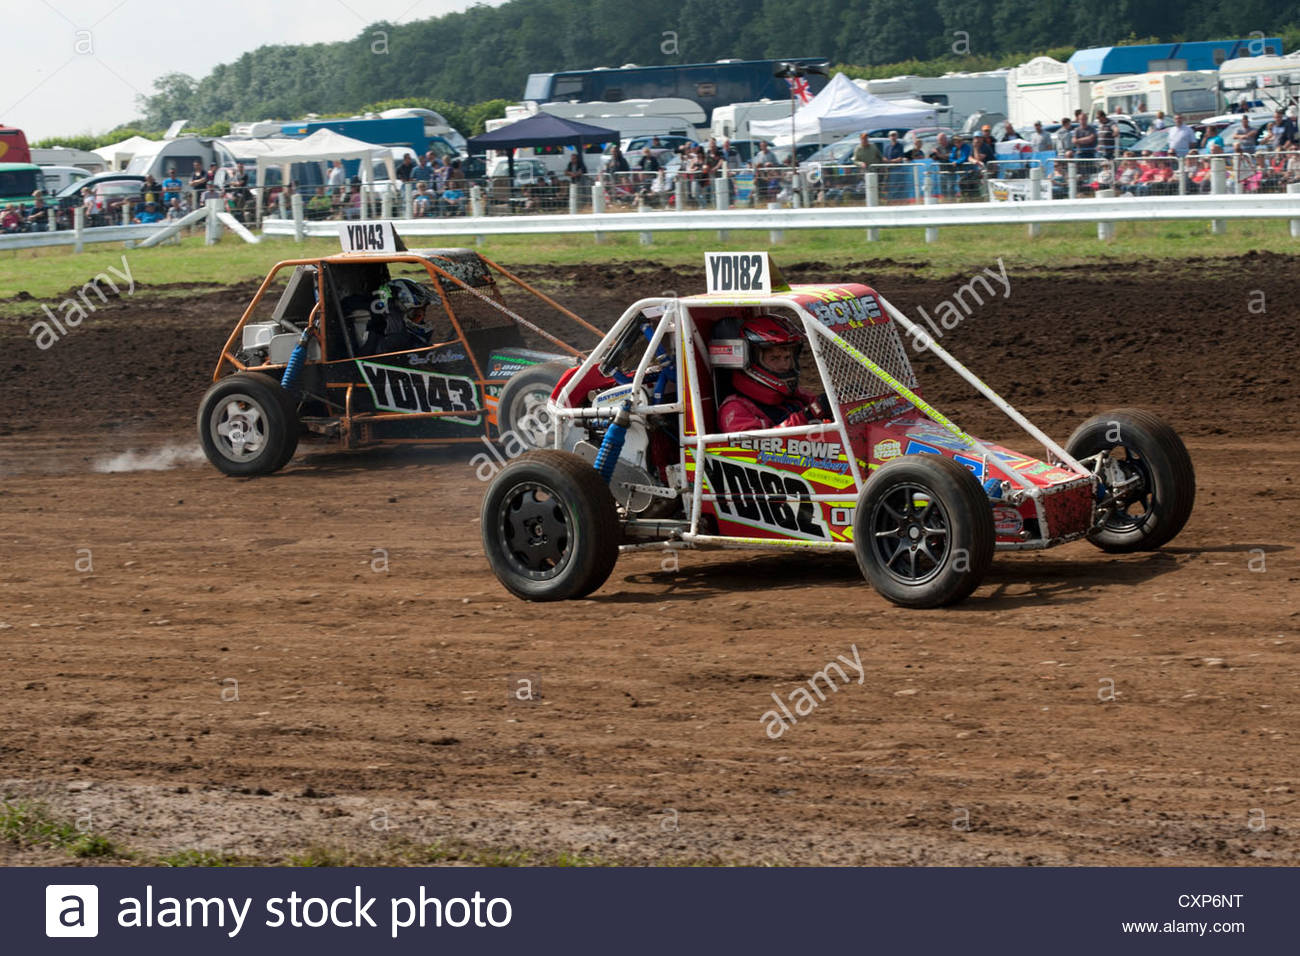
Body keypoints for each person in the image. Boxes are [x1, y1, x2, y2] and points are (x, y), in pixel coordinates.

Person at [717, 314, 828, 432]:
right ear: (752, 360)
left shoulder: (795, 395)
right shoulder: (735, 409)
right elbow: (757, 447)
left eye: (787, 358)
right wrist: (808, 416)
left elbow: (820, 405)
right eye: (775, 358)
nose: (785, 366)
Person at [362, 278, 437, 355]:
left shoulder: (410, 340)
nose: (422, 317)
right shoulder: (395, 342)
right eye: (416, 315)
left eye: (423, 312)